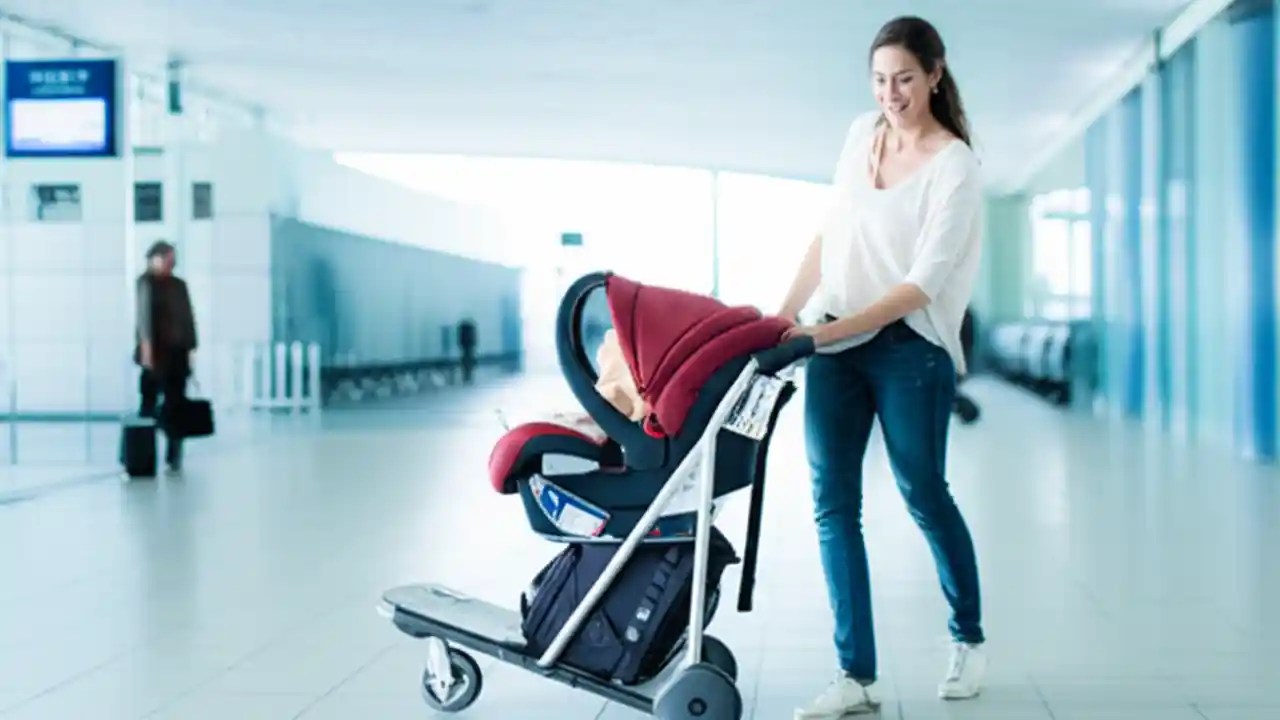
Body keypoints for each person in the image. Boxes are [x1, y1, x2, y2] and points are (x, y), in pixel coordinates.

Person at [775, 16, 987, 717]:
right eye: (879, 80)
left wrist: (824, 336)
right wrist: (784, 319)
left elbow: (919, 286)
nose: (890, 93)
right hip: (834, 341)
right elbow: (829, 234)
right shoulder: (858, 135)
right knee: (833, 504)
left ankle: (968, 638)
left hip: (910, 351)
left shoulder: (953, 165)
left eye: (903, 78)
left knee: (923, 492)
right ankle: (855, 677)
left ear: (934, 73)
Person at [135, 240, 198, 474]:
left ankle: (174, 457)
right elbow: (144, 319)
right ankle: (143, 455)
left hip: (177, 355)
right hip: (155, 355)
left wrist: (191, 350)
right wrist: (146, 349)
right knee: (148, 406)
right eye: (165, 258)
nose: (168, 263)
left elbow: (188, 320)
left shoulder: (179, 286)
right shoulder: (146, 283)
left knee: (176, 407)